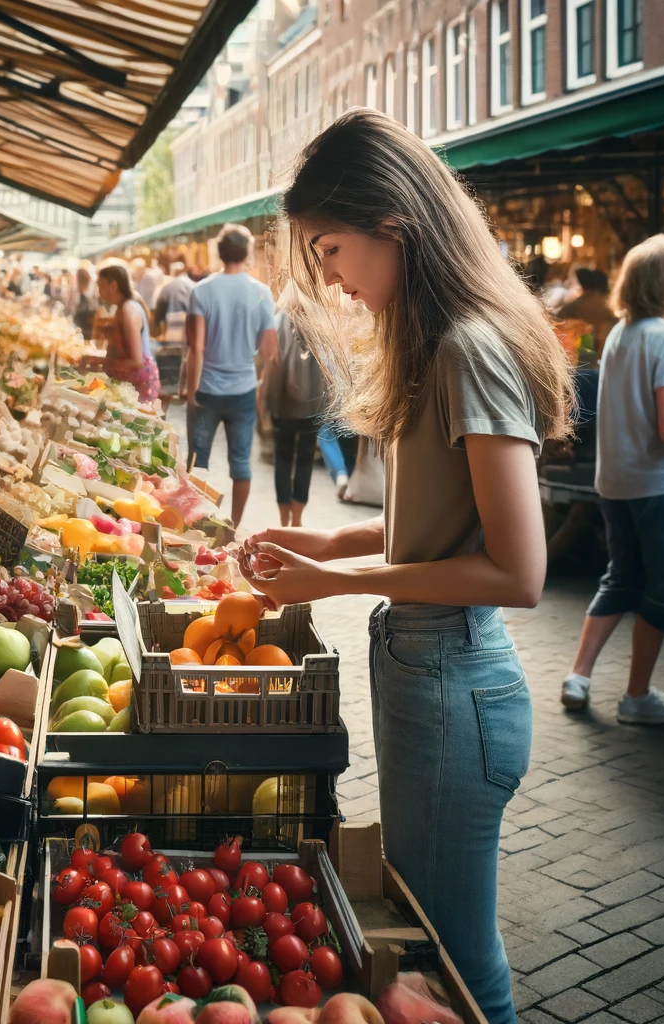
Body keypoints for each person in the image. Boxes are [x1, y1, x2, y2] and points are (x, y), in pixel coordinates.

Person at [240, 109, 572, 1024]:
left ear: (393, 225)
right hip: (427, 671)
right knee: (433, 940)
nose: (331, 279)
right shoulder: (437, 343)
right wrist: (326, 546)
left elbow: (518, 571)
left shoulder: (468, 348)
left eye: (331, 250)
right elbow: (435, 527)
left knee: (456, 959)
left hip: (454, 680)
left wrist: (336, 584)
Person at [561, 235, 664, 723]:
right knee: (658, 588)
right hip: (661, 484)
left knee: (622, 576)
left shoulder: (621, 333)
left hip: (617, 481)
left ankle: (578, 676)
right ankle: (637, 697)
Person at [185, 224, 279, 523]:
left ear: (219, 252)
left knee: (197, 462)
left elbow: (197, 348)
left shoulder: (201, 291)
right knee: (241, 464)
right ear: (247, 252)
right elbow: (270, 350)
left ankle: (194, 523)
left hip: (207, 389)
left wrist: (191, 393)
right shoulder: (261, 293)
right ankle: (234, 526)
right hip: (243, 391)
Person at [264, 286, 328, 527]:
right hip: (313, 402)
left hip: (284, 401)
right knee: (305, 459)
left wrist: (266, 399)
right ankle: (298, 519)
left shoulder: (279, 319)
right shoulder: (320, 319)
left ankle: (283, 520)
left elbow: (270, 359)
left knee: (282, 458)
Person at [93, 261, 161, 404]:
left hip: (137, 387)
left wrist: (98, 361)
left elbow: (136, 362)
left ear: (113, 286)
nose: (99, 292)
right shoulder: (123, 307)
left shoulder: (128, 310)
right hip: (130, 384)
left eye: (101, 286)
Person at [557, 268, 618, 355]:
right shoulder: (611, 306)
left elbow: (558, 321)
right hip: (606, 351)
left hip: (581, 354)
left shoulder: (576, 306)